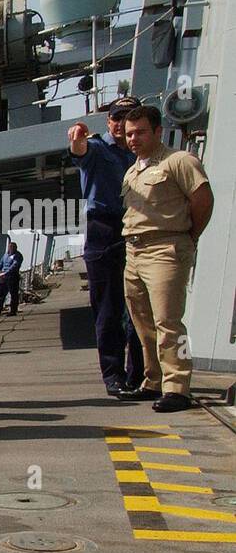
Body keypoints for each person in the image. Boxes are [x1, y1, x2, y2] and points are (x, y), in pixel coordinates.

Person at [118, 104, 213, 411]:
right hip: (134, 251)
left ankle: (178, 387)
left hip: (165, 249)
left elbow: (202, 199)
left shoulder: (179, 161)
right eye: (130, 134)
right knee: (142, 322)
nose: (134, 139)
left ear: (158, 131)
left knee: (168, 323)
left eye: (141, 132)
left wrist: (188, 236)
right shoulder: (133, 170)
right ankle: (153, 380)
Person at [68, 95, 146, 396]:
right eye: (115, 118)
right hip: (104, 229)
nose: (119, 123)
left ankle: (139, 374)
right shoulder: (99, 148)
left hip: (138, 229)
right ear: (108, 121)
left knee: (139, 307)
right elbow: (79, 151)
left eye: (126, 118)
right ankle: (113, 376)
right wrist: (76, 139)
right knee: (108, 308)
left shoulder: (143, 156)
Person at [0, 242, 23, 316]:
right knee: (1, 294)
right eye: (10, 247)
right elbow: (1, 263)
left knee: (13, 294)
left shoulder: (18, 256)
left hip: (12, 276)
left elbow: (15, 265)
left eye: (12, 247)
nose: (11, 249)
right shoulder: (5, 255)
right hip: (4, 277)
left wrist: (5, 273)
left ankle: (13, 311)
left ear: (15, 248)